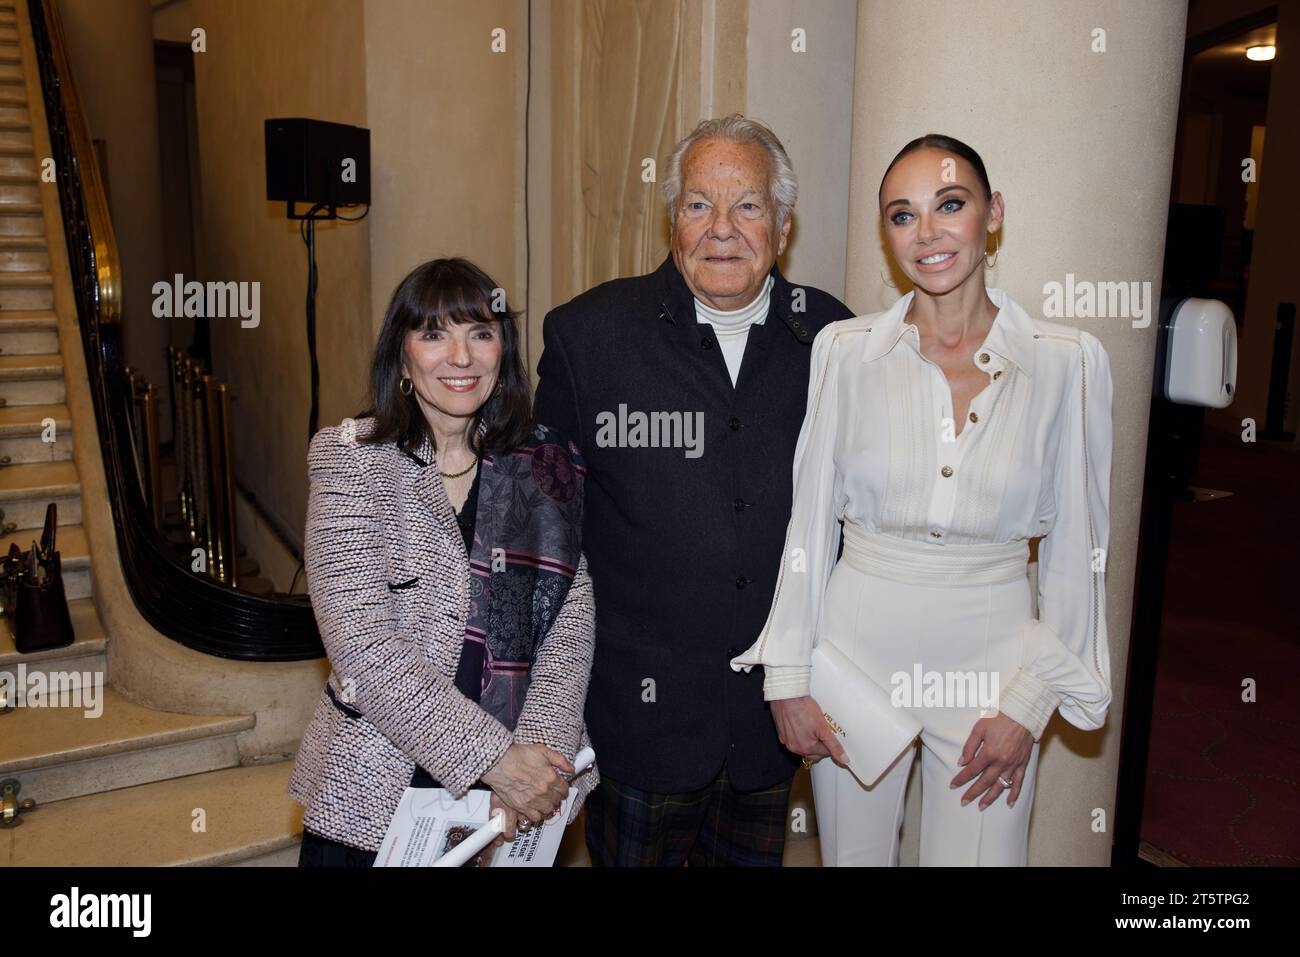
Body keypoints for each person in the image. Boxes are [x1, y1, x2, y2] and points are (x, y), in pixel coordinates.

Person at [733, 134, 1114, 866]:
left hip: (995, 665)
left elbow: (1077, 555)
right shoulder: (846, 352)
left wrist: (1031, 704)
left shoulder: (1067, 363)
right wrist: (787, 677)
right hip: (855, 652)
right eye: (902, 216)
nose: (928, 232)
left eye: (951, 204)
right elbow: (807, 522)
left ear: (993, 214)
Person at [534, 115, 853, 866]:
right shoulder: (589, 337)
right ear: (672, 217)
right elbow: (546, 542)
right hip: (636, 722)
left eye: (747, 205)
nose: (722, 229)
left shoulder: (835, 341)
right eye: (698, 204)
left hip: (769, 725)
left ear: (782, 222)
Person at [289, 257, 597, 866]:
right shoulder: (351, 460)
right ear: (402, 357)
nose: (461, 356)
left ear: (501, 352)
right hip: (382, 785)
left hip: (514, 795)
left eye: (480, 333)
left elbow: (571, 618)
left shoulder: (539, 466)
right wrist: (493, 761)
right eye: (434, 334)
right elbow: (363, 653)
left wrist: (531, 770)